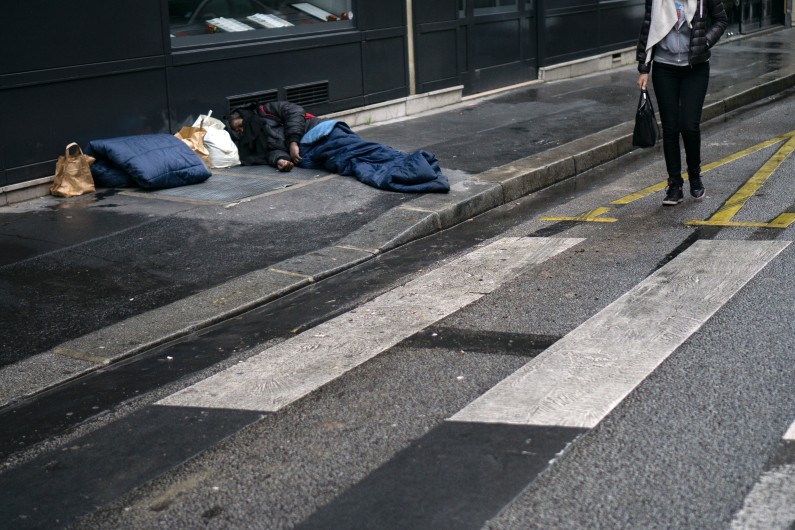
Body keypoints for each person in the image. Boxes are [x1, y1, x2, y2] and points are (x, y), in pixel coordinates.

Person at [226, 101, 449, 193]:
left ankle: (418, 164)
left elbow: (296, 112)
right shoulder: (256, 143)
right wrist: (280, 161)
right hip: (311, 153)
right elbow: (273, 150)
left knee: (364, 152)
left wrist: (293, 142)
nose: (241, 131)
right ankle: (412, 171)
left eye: (240, 125)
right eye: (236, 131)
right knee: (354, 163)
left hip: (320, 132)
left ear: (245, 115)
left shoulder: (266, 110)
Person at [636, 0, 728, 205]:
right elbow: (648, 26)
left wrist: (705, 42)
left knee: (689, 125)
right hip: (664, 67)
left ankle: (694, 174)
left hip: (695, 67)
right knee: (670, 128)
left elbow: (721, 20)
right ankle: (675, 184)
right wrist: (644, 68)